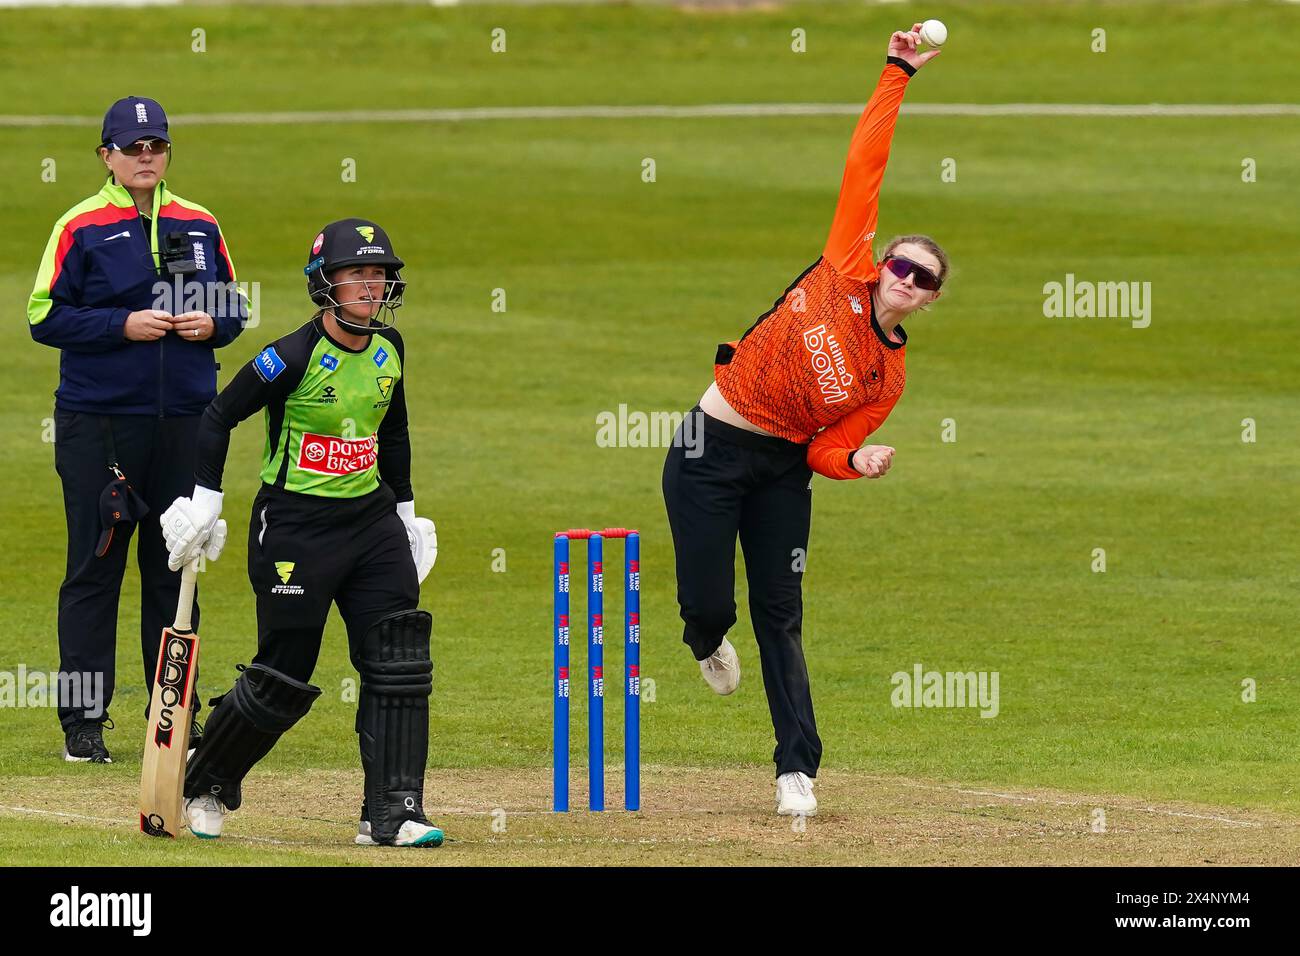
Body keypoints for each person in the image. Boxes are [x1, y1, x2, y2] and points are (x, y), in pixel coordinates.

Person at [661, 27, 947, 816]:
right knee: (712, 605)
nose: (906, 279)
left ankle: (797, 769)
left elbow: (828, 448)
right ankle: (702, 638)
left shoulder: (887, 377)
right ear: (881, 262)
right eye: (902, 264)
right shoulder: (846, 263)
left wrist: (855, 464)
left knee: (780, 614)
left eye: (922, 279)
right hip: (707, 442)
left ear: (926, 299)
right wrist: (898, 72)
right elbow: (867, 163)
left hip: (785, 465)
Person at [160, 218, 442, 847]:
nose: (371, 287)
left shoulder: (390, 350)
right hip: (294, 527)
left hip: (371, 523)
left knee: (397, 657)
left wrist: (406, 514)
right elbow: (218, 415)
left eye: (380, 275)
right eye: (357, 274)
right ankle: (206, 781)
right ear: (325, 283)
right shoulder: (289, 355)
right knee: (285, 668)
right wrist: (205, 503)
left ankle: (392, 813)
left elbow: (391, 433)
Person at [27, 95, 246, 763]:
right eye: (132, 147)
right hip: (101, 426)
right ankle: (83, 727)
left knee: (174, 568)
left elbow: (232, 308)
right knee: (95, 571)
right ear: (107, 156)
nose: (145, 157)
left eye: (155, 146)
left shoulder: (200, 223)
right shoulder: (81, 225)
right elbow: (44, 316)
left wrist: (213, 325)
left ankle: (171, 716)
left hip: (185, 423)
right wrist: (120, 325)